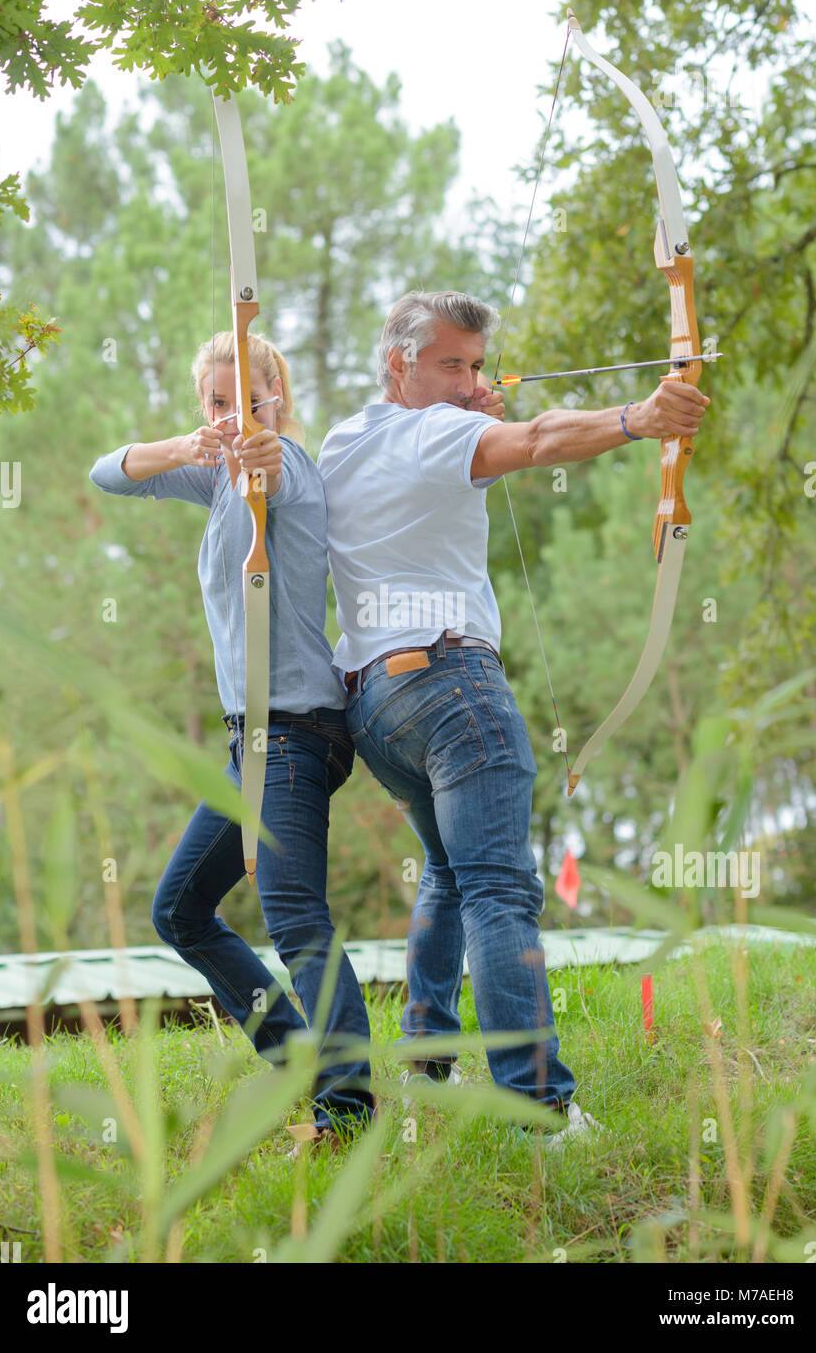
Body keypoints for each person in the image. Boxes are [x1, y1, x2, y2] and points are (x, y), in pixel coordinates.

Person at [317, 290, 709, 1146]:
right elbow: (536, 439)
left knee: (449, 875)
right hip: (453, 684)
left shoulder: (343, 441)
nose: (470, 380)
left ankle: (426, 1070)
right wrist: (640, 416)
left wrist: (460, 411)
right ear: (399, 363)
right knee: (499, 887)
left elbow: (451, 459)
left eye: (475, 365)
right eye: (451, 364)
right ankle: (540, 1111)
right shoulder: (438, 433)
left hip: (374, 702)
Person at [89, 332, 376, 1151]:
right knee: (179, 910)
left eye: (250, 398)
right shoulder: (214, 479)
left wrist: (258, 442)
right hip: (249, 742)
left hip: (294, 731)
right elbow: (107, 473)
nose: (233, 416)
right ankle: (293, 1053)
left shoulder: (287, 464)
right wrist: (190, 444)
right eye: (218, 402)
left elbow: (271, 473)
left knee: (296, 921)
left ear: (277, 396)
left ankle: (348, 1108)